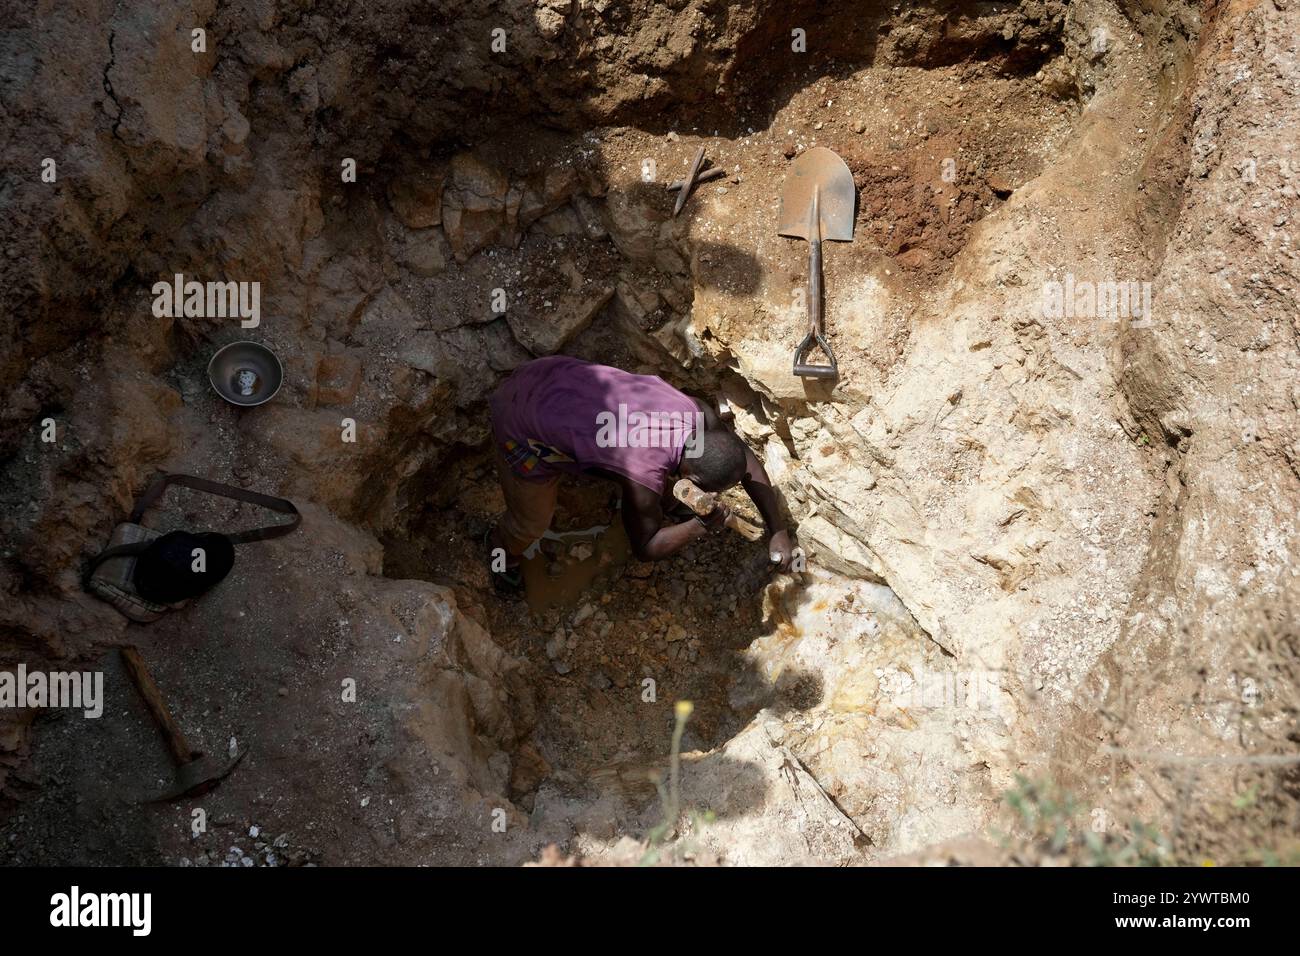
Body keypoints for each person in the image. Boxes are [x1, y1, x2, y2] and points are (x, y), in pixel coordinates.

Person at [486, 356, 795, 591]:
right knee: (531, 522)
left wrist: (777, 529)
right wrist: (698, 526)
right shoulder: (642, 479)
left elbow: (744, 460)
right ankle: (501, 552)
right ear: (691, 480)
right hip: (518, 423)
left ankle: (666, 502)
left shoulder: (697, 412)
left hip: (547, 373)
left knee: (639, 465)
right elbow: (645, 548)